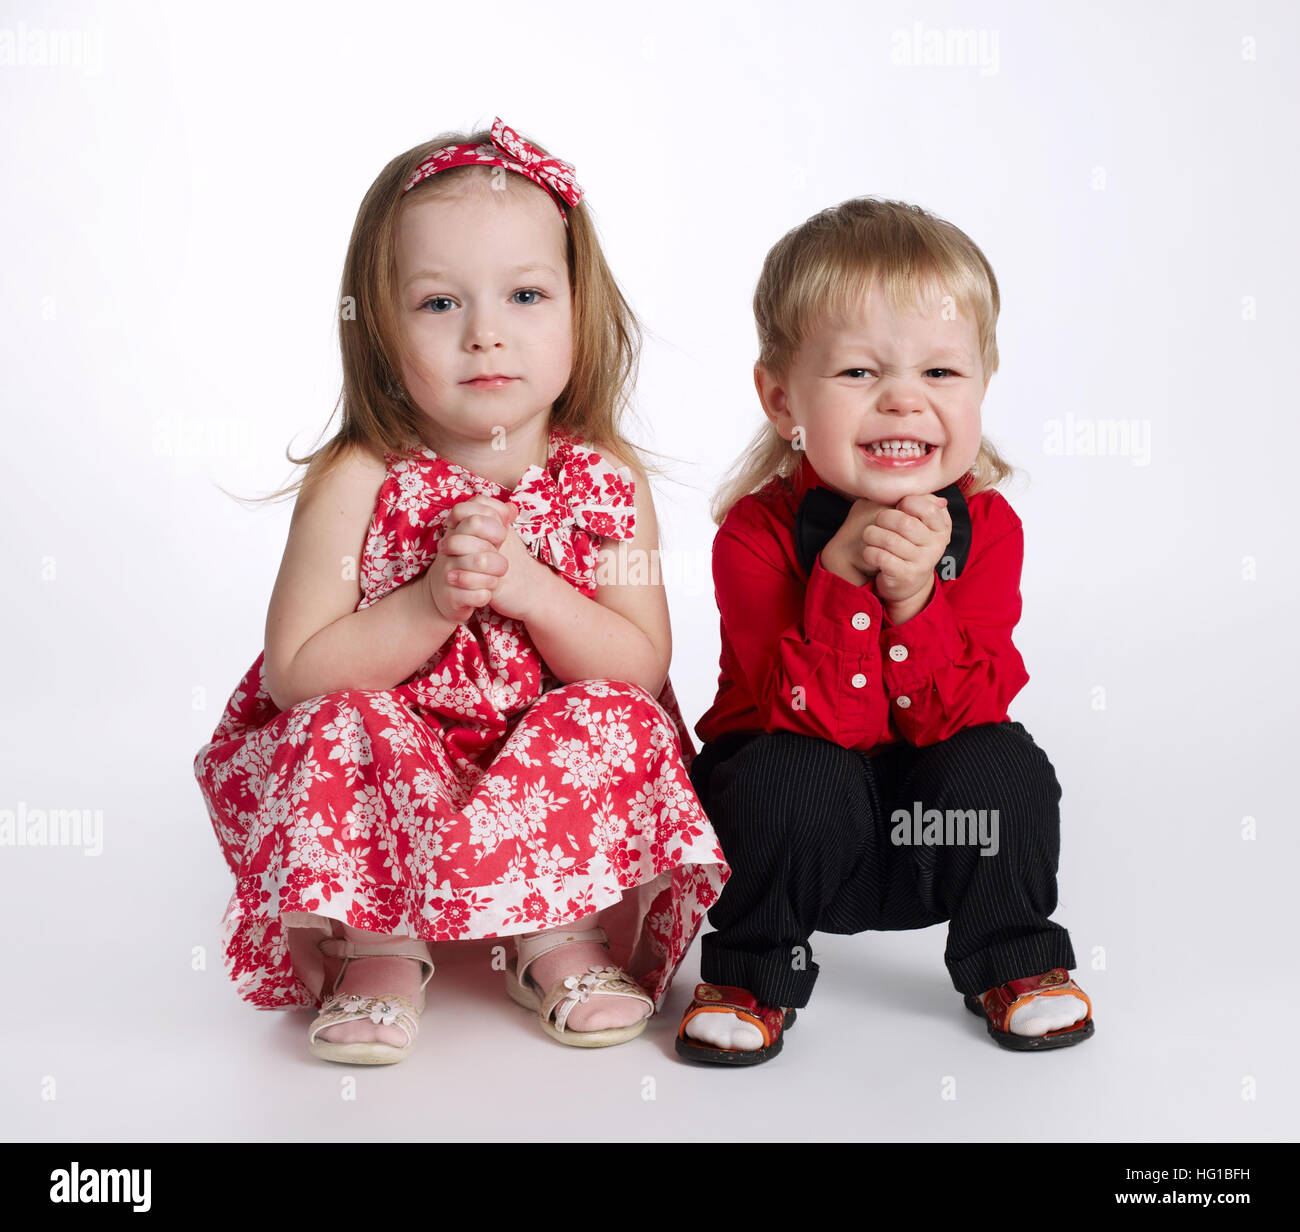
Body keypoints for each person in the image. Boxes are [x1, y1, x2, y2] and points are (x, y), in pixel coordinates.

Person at [193, 116, 726, 1065]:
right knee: (336, 724)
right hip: (403, 763)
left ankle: (559, 937)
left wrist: (530, 589)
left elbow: (639, 668)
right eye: (439, 304)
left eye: (525, 294)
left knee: (615, 721)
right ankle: (377, 948)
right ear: (378, 323)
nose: (485, 333)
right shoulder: (359, 478)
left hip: (539, 772)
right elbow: (294, 675)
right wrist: (428, 604)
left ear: (578, 312)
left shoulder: (604, 477)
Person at [676, 198, 1094, 1064]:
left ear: (983, 383)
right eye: (860, 374)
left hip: (930, 835)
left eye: (941, 375)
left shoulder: (990, 529)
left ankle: (1012, 958)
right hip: (808, 835)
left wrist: (914, 603)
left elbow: (967, 710)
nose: (904, 401)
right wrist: (837, 583)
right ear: (781, 396)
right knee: (787, 777)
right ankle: (755, 969)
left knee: (1005, 765)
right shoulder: (754, 537)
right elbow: (816, 720)